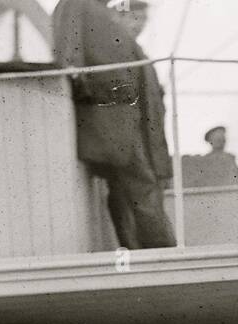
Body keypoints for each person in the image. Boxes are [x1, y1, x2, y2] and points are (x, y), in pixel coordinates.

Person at [52, 0, 175, 250]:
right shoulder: (76, 4)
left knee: (131, 192)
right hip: (110, 120)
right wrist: (84, 87)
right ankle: (162, 255)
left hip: (129, 125)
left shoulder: (110, 21)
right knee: (142, 189)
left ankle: (146, 255)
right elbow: (69, 56)